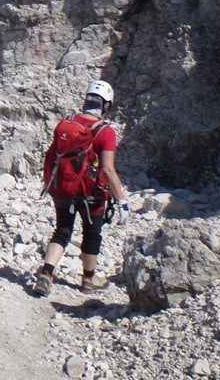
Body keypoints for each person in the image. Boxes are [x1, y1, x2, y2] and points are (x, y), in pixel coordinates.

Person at [33, 80, 130, 296]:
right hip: (90, 195)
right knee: (92, 233)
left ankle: (46, 274)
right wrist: (121, 201)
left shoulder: (67, 123)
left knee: (62, 231)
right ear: (106, 106)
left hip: (63, 189)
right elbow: (108, 169)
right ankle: (89, 279)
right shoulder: (106, 133)